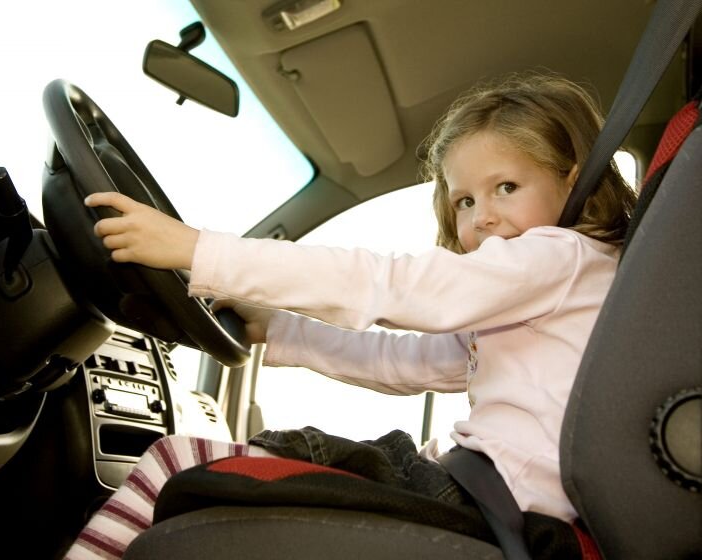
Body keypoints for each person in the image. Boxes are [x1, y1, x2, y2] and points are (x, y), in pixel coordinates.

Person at [64, 72, 637, 559]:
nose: (482, 217)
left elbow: (392, 285)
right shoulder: (540, 293)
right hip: (488, 495)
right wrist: (282, 328)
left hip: (493, 501)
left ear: (573, 178)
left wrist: (199, 249)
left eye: (506, 186)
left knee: (173, 461)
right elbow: (404, 360)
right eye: (465, 200)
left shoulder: (559, 257)